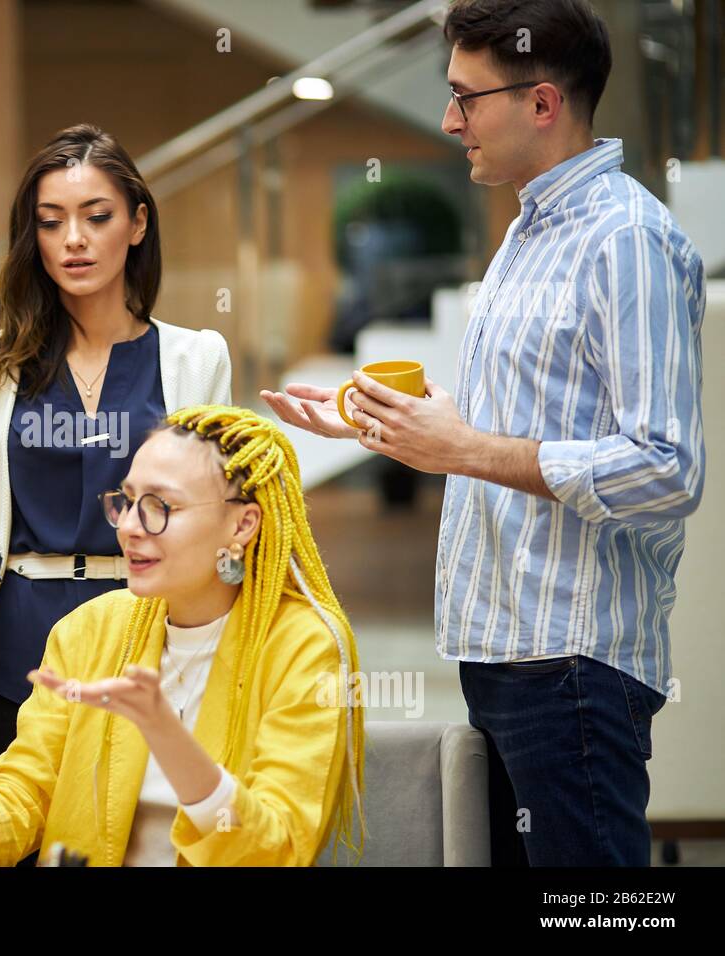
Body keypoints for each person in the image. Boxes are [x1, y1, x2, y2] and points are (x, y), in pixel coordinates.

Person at [262, 0, 705, 866]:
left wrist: (462, 448)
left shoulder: (628, 239)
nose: (447, 119)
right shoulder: (525, 234)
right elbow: (518, 422)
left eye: (466, 97)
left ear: (541, 103)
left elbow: (666, 468)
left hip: (574, 663)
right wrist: (385, 421)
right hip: (503, 648)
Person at [0, 406, 364, 867]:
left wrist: (165, 734)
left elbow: (275, 846)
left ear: (243, 523)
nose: (129, 527)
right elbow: (28, 787)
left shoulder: (304, 646)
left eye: (159, 506)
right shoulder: (90, 629)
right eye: (126, 502)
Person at [0, 124, 232, 790]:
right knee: (15, 840)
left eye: (96, 217)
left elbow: (212, 514)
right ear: (31, 237)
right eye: (51, 221)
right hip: (13, 649)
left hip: (149, 644)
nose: (74, 238)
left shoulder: (194, 358)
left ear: (137, 223)